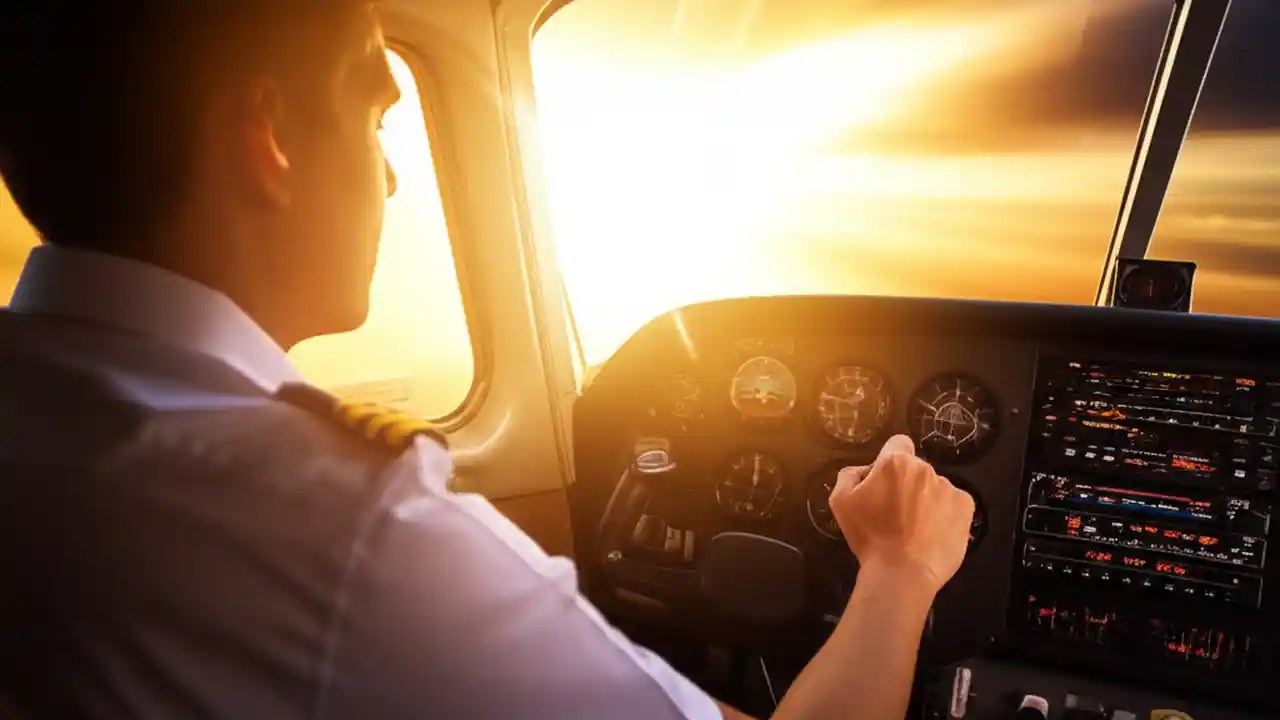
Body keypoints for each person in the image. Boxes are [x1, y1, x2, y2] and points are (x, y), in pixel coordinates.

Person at [0, 2, 975, 718]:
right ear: (272, 139)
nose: (387, 175)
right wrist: (897, 569)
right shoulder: (345, 526)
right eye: (377, 118)